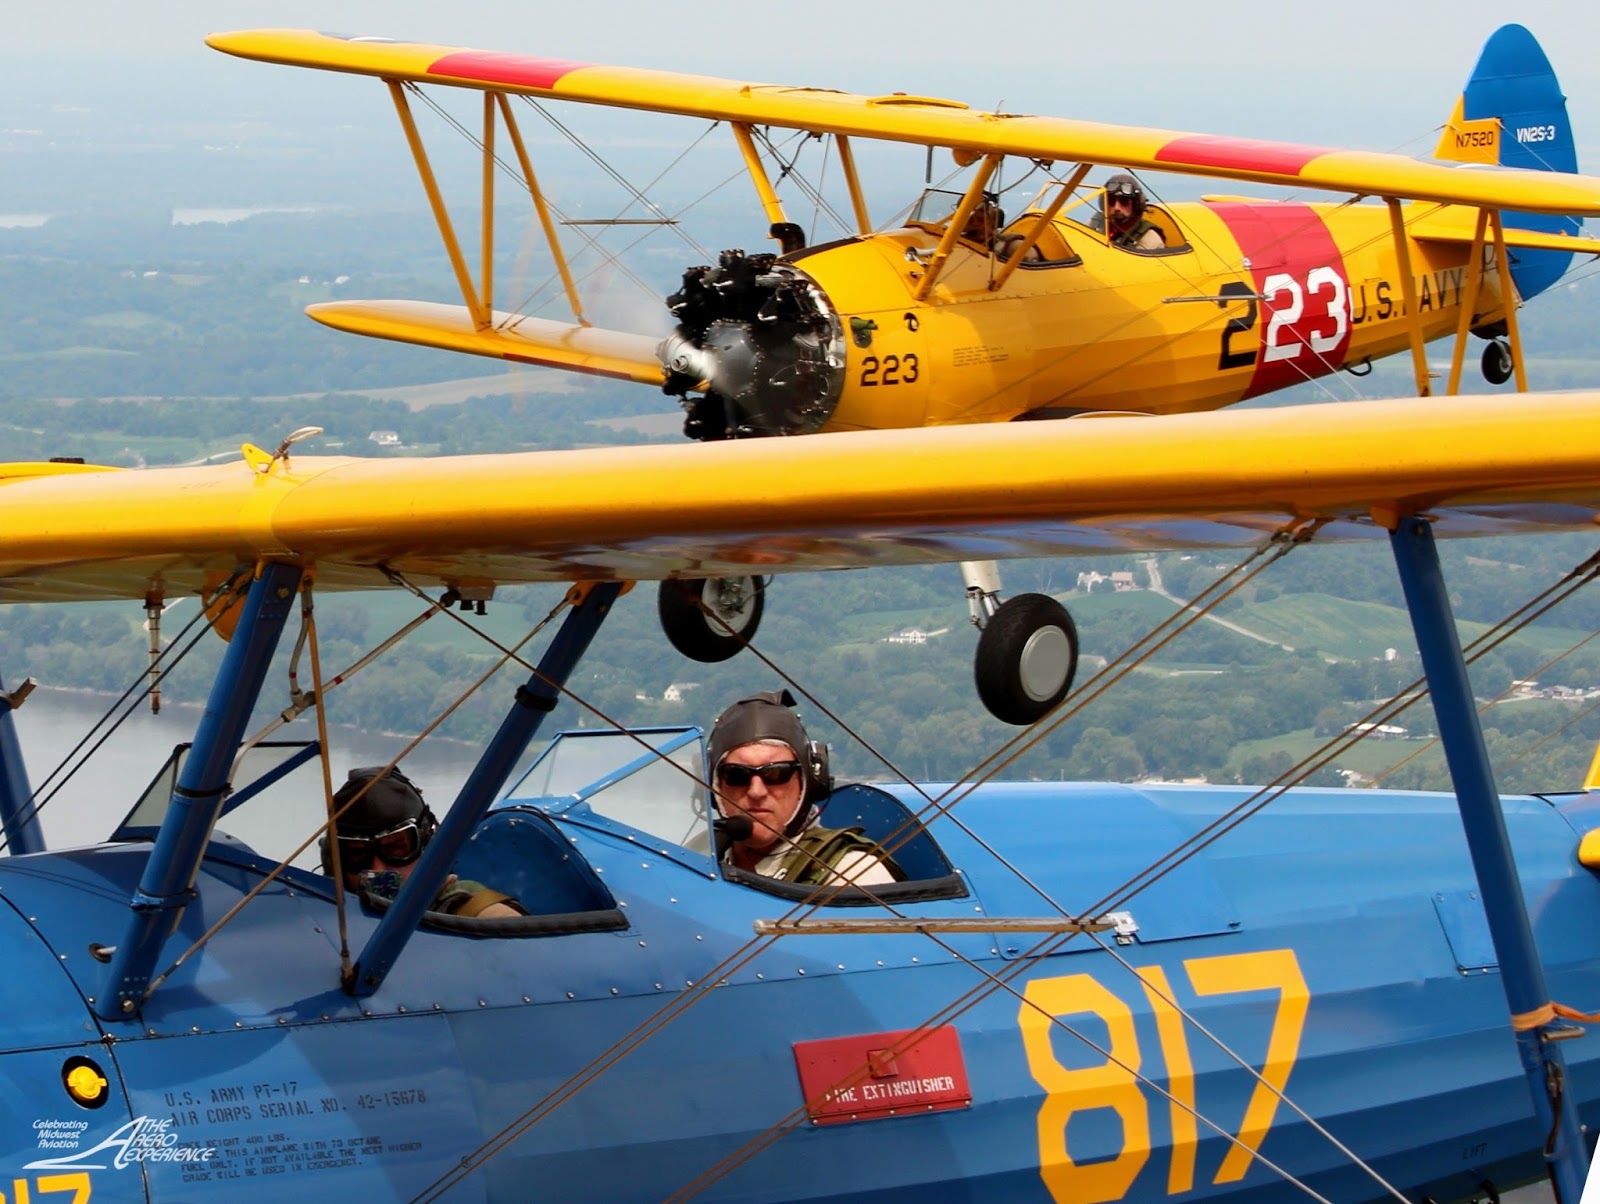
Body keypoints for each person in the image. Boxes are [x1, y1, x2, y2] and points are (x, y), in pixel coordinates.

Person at [708, 690, 900, 887]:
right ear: (715, 786)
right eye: (737, 775)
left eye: (776, 773)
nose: (756, 791)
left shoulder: (853, 873)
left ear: (809, 782)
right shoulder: (695, 860)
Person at [320, 766, 526, 918]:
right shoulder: (326, 916)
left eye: (396, 848)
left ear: (427, 845)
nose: (377, 870)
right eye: (357, 853)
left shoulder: (479, 916)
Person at [1102, 172, 1165, 251]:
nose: (1116, 207)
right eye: (1111, 201)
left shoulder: (1149, 238)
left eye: (1124, 201)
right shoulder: (1094, 225)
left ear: (1136, 205)